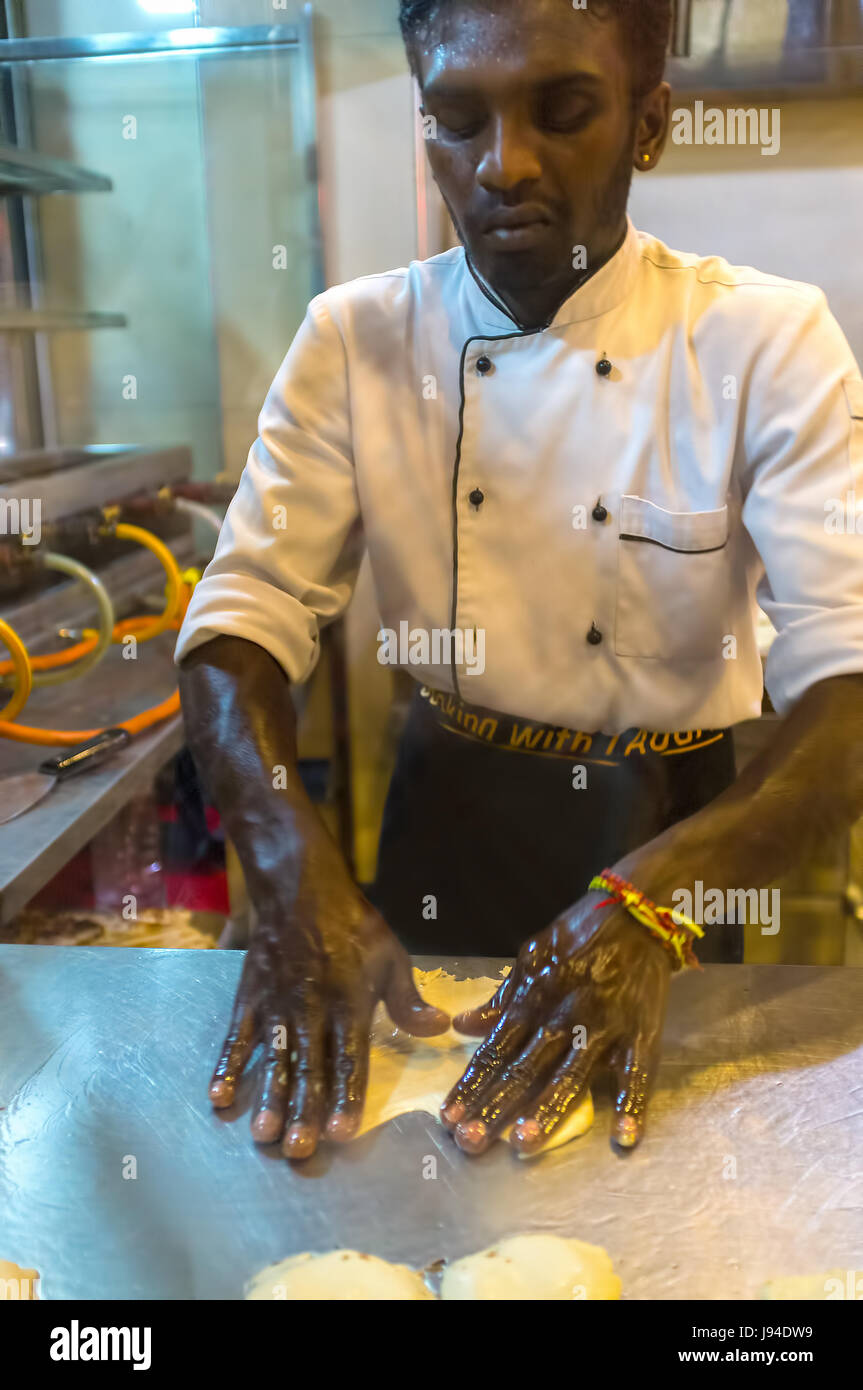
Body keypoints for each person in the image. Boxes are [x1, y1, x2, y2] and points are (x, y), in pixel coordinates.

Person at [176, 0, 863, 1162]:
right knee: (414, 1179)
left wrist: (652, 905)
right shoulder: (355, 341)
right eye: (455, 118)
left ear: (649, 124)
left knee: (666, 1192)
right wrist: (287, 857)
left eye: (562, 112)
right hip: (448, 814)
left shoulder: (762, 341)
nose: (502, 165)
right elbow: (242, 619)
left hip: (684, 849)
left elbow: (848, 677)